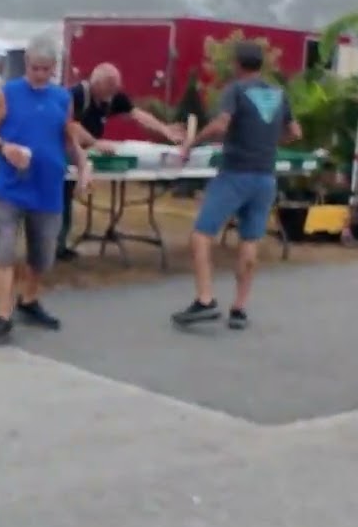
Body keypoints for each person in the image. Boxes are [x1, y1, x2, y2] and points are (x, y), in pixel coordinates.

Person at [171, 41, 301, 329]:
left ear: (237, 64)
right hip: (265, 178)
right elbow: (295, 131)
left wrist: (191, 144)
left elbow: (220, 125)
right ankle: (240, 308)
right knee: (250, 240)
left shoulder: (236, 90)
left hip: (235, 173)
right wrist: (267, 143)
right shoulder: (278, 94)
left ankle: (205, 299)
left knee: (202, 235)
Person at [0, 35, 90, 347]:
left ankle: (29, 300)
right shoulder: (8, 93)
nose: (39, 74)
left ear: (54, 69)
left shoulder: (62, 98)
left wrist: (82, 164)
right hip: (11, 187)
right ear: (26, 64)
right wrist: (5, 146)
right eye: (34, 68)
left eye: (46, 69)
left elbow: (68, 136)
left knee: (42, 254)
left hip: (48, 187)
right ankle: (3, 316)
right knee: (3, 251)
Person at [57, 62, 185, 260]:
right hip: (65, 152)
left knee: (66, 197)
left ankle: (60, 246)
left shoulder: (112, 97)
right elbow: (70, 126)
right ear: (97, 83)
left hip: (85, 154)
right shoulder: (76, 94)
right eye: (109, 87)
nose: (113, 93)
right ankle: (56, 248)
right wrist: (95, 142)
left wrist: (165, 129)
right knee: (61, 197)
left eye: (115, 88)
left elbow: (138, 114)